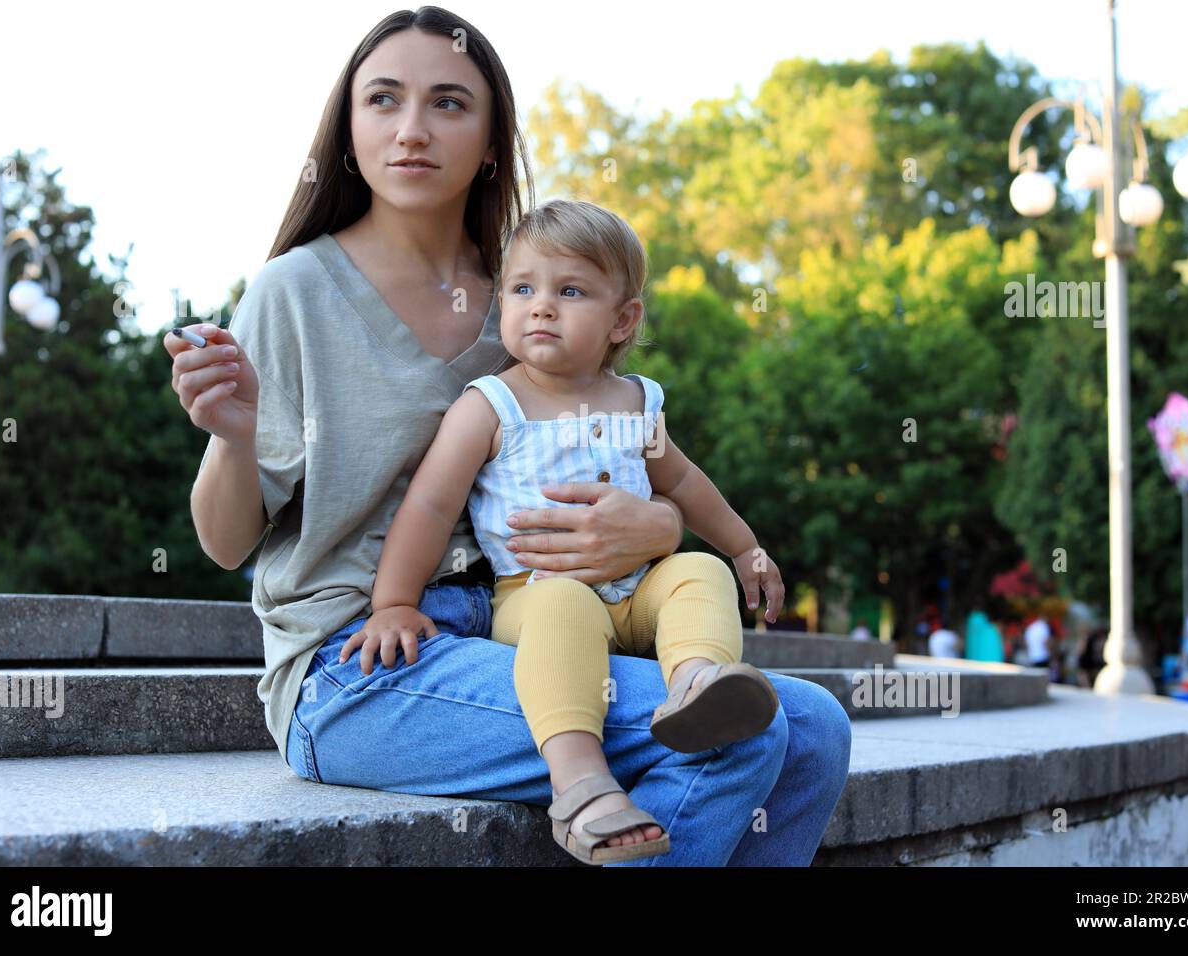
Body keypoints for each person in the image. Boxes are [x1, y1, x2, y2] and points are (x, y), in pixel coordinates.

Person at [168, 7, 851, 867]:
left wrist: (664, 530)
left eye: (448, 103)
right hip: (358, 662)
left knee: (818, 727)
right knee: (742, 736)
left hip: (520, 624)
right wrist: (232, 437)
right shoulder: (293, 292)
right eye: (383, 99)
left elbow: (645, 465)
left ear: (492, 140)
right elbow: (227, 544)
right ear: (349, 126)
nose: (411, 129)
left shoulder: (527, 303)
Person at [345, 198, 783, 864]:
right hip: (537, 592)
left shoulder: (640, 401)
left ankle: (697, 685)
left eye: (570, 290)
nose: (541, 306)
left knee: (699, 571)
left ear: (622, 319)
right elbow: (430, 505)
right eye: (524, 289)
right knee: (561, 604)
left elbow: (686, 486)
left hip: (640, 594)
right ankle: (579, 781)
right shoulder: (492, 404)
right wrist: (395, 603)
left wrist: (745, 547)